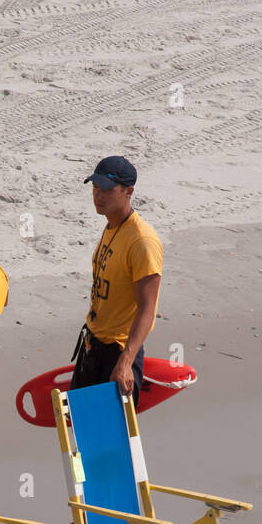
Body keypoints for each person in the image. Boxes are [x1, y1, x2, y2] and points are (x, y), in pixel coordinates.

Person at [71, 155, 162, 406]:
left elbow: (147, 310)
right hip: (93, 346)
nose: (99, 195)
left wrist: (125, 363)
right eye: (95, 187)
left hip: (118, 354)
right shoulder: (112, 224)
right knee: (82, 438)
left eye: (107, 190)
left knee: (110, 443)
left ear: (128, 191)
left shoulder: (142, 242)